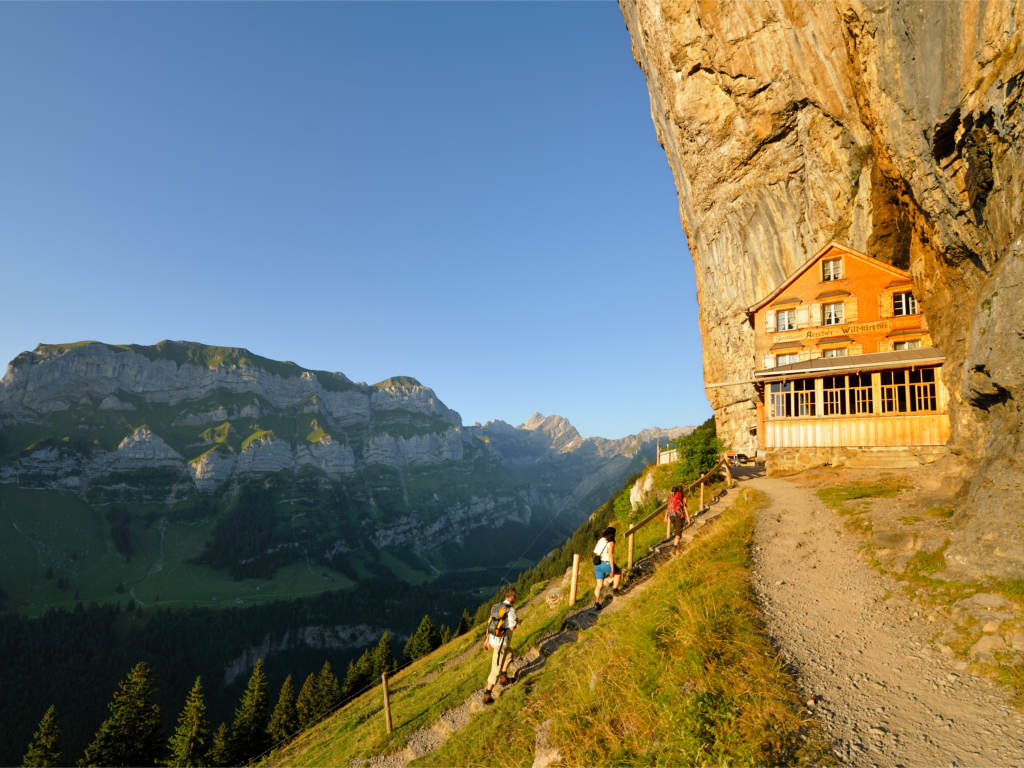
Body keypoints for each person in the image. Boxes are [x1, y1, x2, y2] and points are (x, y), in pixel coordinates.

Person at [482, 586, 518, 704]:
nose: (515, 598)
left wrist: (487, 640)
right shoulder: (510, 610)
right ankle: (487, 696)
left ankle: (504, 679)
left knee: (509, 655)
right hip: (500, 643)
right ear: (512, 597)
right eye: (515, 596)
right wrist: (515, 623)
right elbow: (512, 627)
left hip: (493, 639)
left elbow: (490, 624)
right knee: (495, 669)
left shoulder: (497, 606)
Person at [592, 526, 621, 610]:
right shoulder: (610, 543)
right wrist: (612, 569)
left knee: (599, 585)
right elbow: (610, 556)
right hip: (606, 563)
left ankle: (596, 603)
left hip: (597, 564)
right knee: (618, 572)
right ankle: (615, 589)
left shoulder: (601, 539)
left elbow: (596, 551)